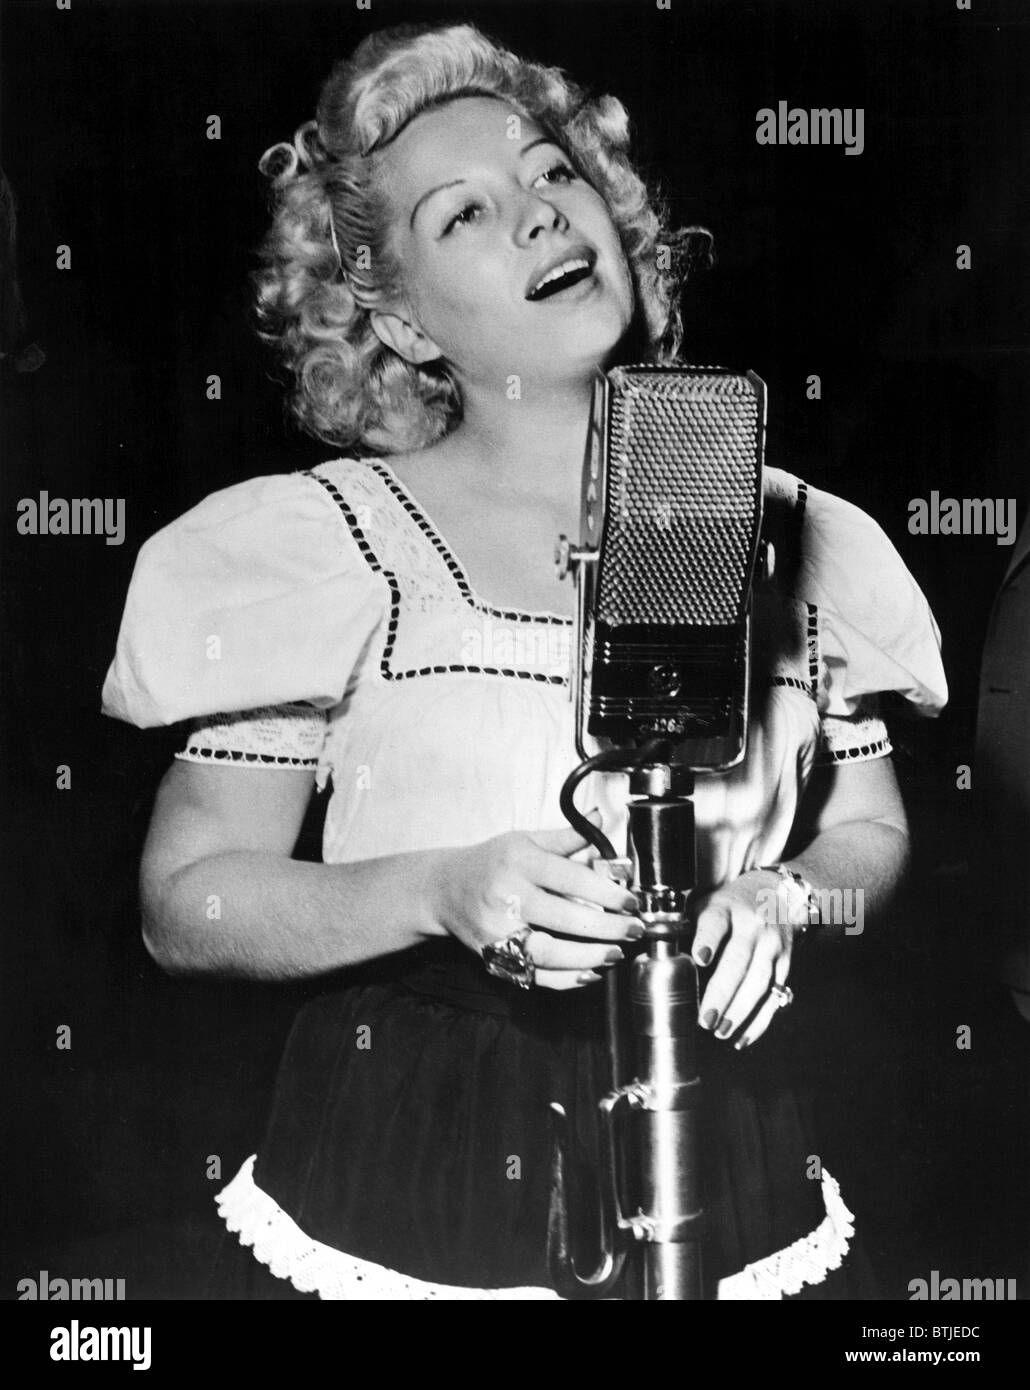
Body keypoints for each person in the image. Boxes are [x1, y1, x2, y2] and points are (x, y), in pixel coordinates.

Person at [101, 22, 947, 1299]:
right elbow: (187, 902)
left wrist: (787, 898)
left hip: (734, 1171)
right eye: (467, 215)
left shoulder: (801, 534)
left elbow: (869, 833)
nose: (544, 218)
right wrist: (441, 891)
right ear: (400, 320)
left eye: (555, 175)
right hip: (407, 1183)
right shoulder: (326, 545)